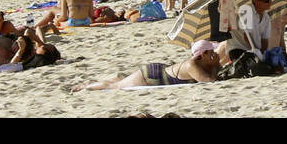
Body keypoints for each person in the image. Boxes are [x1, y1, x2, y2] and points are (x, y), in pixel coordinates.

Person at [77, 40, 223, 89]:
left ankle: (93, 82)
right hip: (151, 76)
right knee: (113, 87)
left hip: (159, 71)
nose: (214, 54)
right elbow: (210, 81)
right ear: (201, 55)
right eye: (211, 51)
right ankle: (87, 86)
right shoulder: (192, 65)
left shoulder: (201, 64)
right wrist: (216, 64)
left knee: (120, 81)